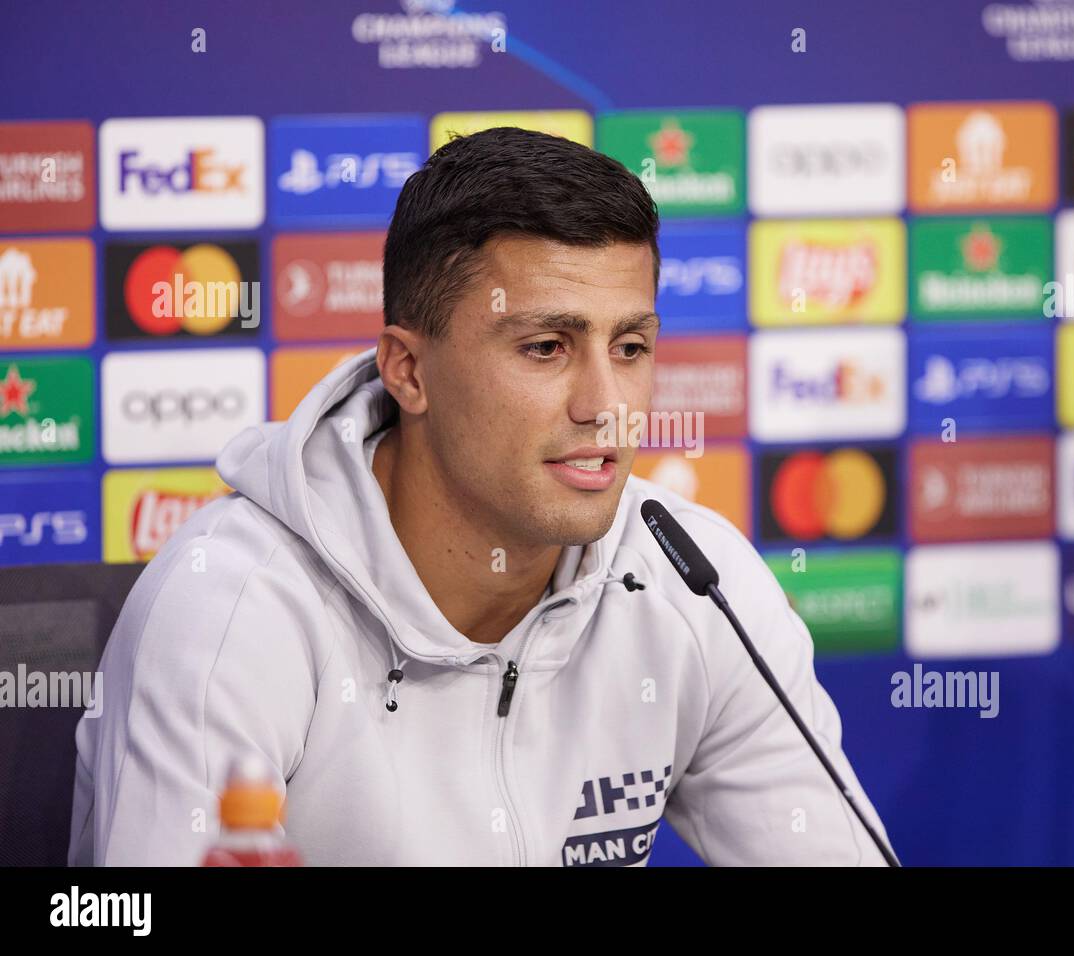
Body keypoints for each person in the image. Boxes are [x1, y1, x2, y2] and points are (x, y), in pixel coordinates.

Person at [69, 126, 896, 866]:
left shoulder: (695, 585)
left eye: (632, 345)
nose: (604, 404)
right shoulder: (230, 614)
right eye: (546, 346)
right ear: (409, 370)